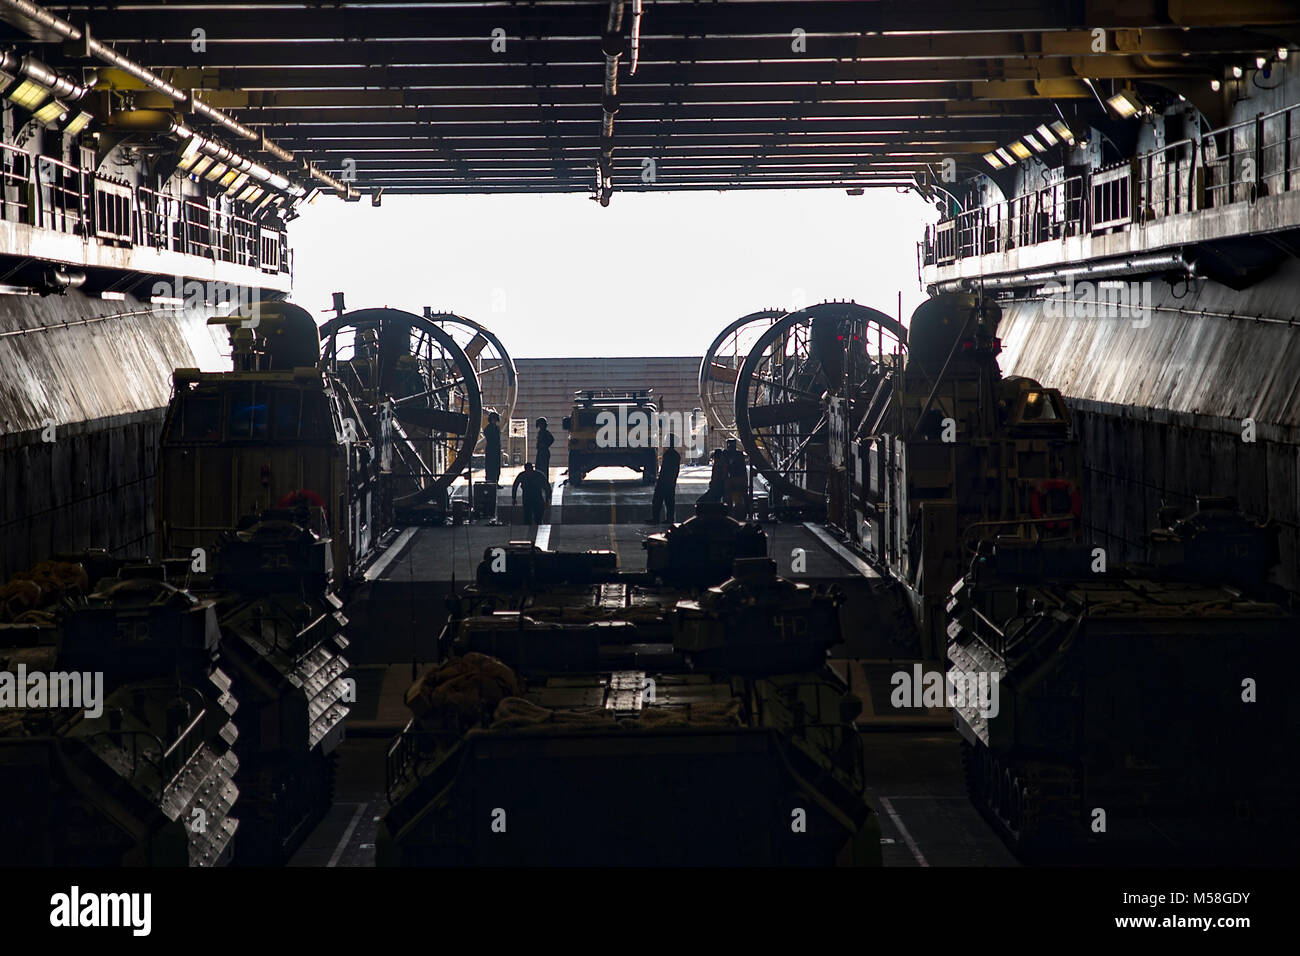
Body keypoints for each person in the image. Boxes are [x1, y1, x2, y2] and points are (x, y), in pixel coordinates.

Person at [651, 436, 682, 524]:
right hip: (671, 482)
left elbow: (665, 469)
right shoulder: (676, 455)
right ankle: (669, 519)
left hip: (664, 481)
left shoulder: (668, 454)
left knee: (657, 500)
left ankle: (656, 519)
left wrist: (659, 479)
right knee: (670, 501)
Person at [512, 462, 549, 528]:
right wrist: (514, 498)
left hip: (537, 498)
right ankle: (528, 530)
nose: (529, 472)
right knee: (527, 517)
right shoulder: (522, 475)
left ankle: (538, 527)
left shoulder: (539, 475)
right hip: (527, 498)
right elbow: (515, 486)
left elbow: (547, 488)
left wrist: (547, 500)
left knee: (538, 517)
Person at [482, 411, 502, 523]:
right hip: (491, 449)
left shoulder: (497, 428)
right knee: (490, 467)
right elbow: (491, 439)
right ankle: (489, 481)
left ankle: (496, 481)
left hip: (496, 450)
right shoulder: (488, 429)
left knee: (496, 467)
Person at [723, 438, 748, 518]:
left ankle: (728, 511)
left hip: (737, 480)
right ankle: (742, 510)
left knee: (727, 492)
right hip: (740, 480)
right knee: (739, 495)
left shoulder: (729, 455)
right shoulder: (738, 455)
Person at [535, 417, 554, 483]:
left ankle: (544, 481)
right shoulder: (541, 432)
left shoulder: (545, 433)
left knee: (543, 468)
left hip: (544, 452)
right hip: (541, 451)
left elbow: (551, 439)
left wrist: (545, 445)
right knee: (538, 467)